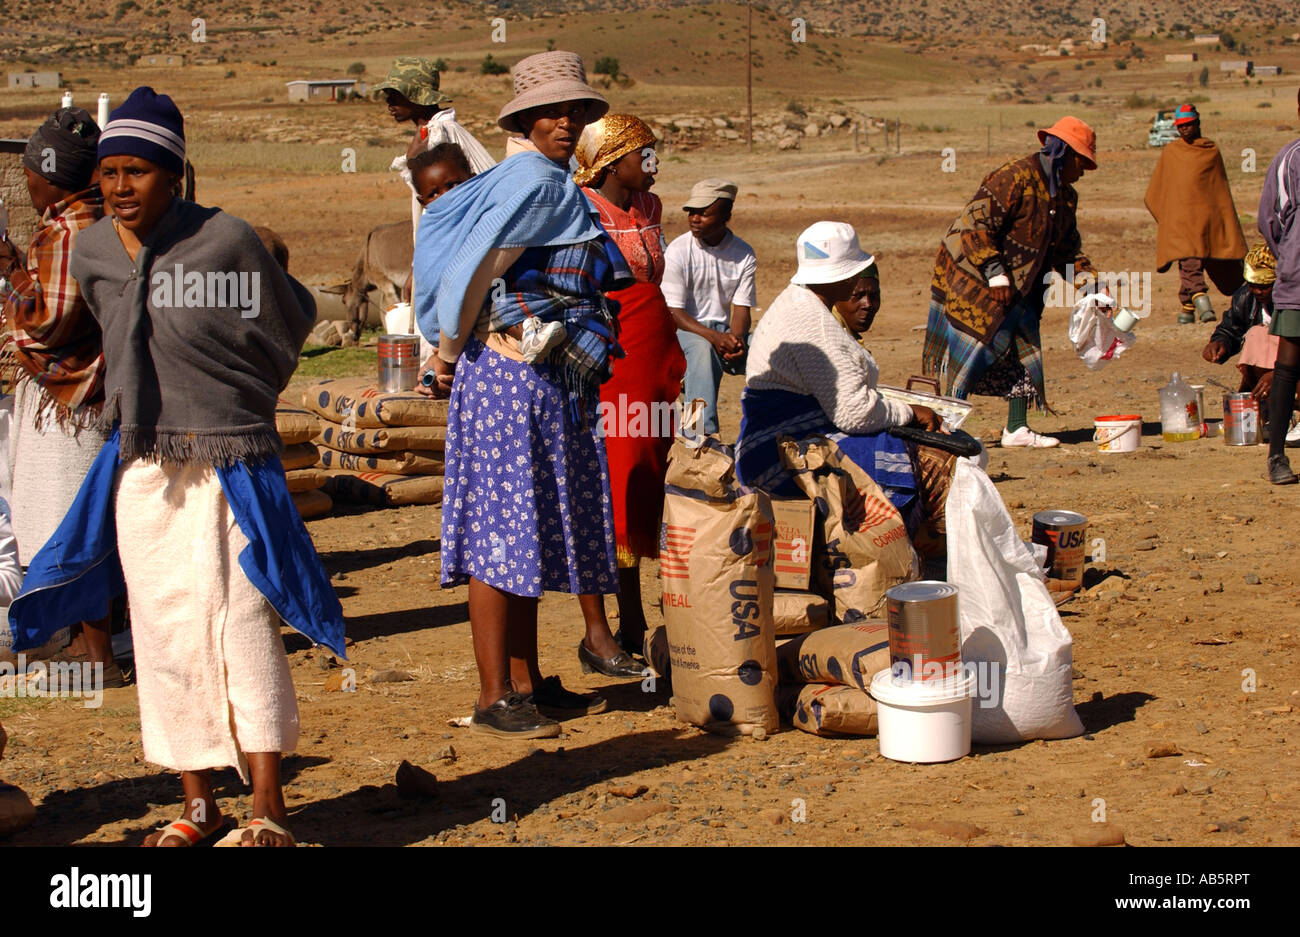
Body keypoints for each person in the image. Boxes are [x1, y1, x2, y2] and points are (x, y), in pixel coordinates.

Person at [8, 87, 345, 846]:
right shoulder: (93, 251)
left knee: (245, 624)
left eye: (139, 171)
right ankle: (199, 804)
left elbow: (288, 321)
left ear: (175, 172)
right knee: (164, 634)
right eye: (111, 172)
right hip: (143, 466)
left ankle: (268, 807)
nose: (121, 187)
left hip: (231, 464)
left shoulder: (225, 241)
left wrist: (237, 396)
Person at [414, 52, 627, 738]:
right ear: (527, 119)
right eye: (553, 113)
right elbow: (480, 265)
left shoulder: (535, 175)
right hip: (508, 377)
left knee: (523, 527)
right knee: (497, 535)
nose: (566, 123)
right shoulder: (536, 183)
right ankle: (492, 694)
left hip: (527, 380)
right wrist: (448, 351)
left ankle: (526, 683)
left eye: (576, 112)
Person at [737, 222, 952, 560]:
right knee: (932, 458)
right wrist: (909, 412)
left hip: (775, 440)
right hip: (780, 453)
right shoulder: (814, 322)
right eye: (855, 280)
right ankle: (913, 553)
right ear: (842, 277)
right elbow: (854, 414)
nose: (863, 295)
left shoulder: (800, 302)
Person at [0, 107, 122, 684]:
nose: (23, 182)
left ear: (50, 172)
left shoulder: (72, 230)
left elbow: (50, 321)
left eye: (28, 171)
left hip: (72, 398)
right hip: (69, 398)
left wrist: (10, 273)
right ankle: (85, 639)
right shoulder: (81, 220)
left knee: (73, 520)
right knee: (73, 517)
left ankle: (95, 651)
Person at [574, 114, 687, 670]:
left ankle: (649, 612)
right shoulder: (582, 211)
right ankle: (627, 616)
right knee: (620, 475)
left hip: (655, 348)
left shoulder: (652, 208)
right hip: (611, 351)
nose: (653, 164)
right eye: (644, 154)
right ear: (613, 159)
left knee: (655, 470)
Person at [923, 116, 1099, 449]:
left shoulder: (1066, 197)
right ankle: (945, 428)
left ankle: (1017, 428)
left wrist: (1090, 286)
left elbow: (1065, 249)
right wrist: (995, 272)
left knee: (1021, 345)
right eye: (1082, 162)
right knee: (974, 350)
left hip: (1024, 286)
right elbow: (974, 223)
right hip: (975, 275)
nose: (1085, 171)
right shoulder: (1013, 178)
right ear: (1066, 154)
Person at [662, 179, 756, 437]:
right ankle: (698, 436)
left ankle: (771, 429)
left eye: (703, 213)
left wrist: (735, 340)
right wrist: (716, 338)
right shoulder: (678, 251)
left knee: (767, 349)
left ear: (726, 215)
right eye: (691, 212)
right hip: (685, 332)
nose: (694, 218)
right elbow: (675, 313)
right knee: (702, 351)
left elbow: (741, 308)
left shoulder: (744, 253)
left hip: (725, 332)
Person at [1144, 103, 1247, 324]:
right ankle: (1200, 301)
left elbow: (1219, 189)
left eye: (1189, 124)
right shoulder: (1171, 152)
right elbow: (1158, 188)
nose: (1185, 130)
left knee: (1198, 257)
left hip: (1207, 219)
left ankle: (1188, 307)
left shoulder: (1211, 151)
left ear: (1198, 123)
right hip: (1181, 219)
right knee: (1189, 256)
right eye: (1181, 126)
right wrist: (1170, 216)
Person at [377, 55, 495, 239]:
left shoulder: (439, 133)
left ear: (416, 96)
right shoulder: (429, 131)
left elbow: (447, 206)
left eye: (396, 94)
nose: (389, 102)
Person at [1202, 245, 1300, 445]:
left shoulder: (1295, 299)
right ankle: (1274, 413)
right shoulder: (1246, 297)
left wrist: (1281, 373)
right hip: (1280, 367)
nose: (1257, 291)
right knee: (1256, 335)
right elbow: (1232, 328)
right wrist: (1220, 343)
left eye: (1264, 286)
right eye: (1252, 284)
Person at [410, 143, 475, 398]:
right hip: (442, 340)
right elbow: (429, 281)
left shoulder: (483, 219)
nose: (446, 197)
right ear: (422, 201)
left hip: (478, 334)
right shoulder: (430, 231)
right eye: (434, 193)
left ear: (472, 179)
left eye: (453, 185)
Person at [1259, 86, 1300, 484]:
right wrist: (1290, 255)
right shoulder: (1290, 160)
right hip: (1299, 279)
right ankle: (1276, 456)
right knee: (1287, 364)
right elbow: (1269, 222)